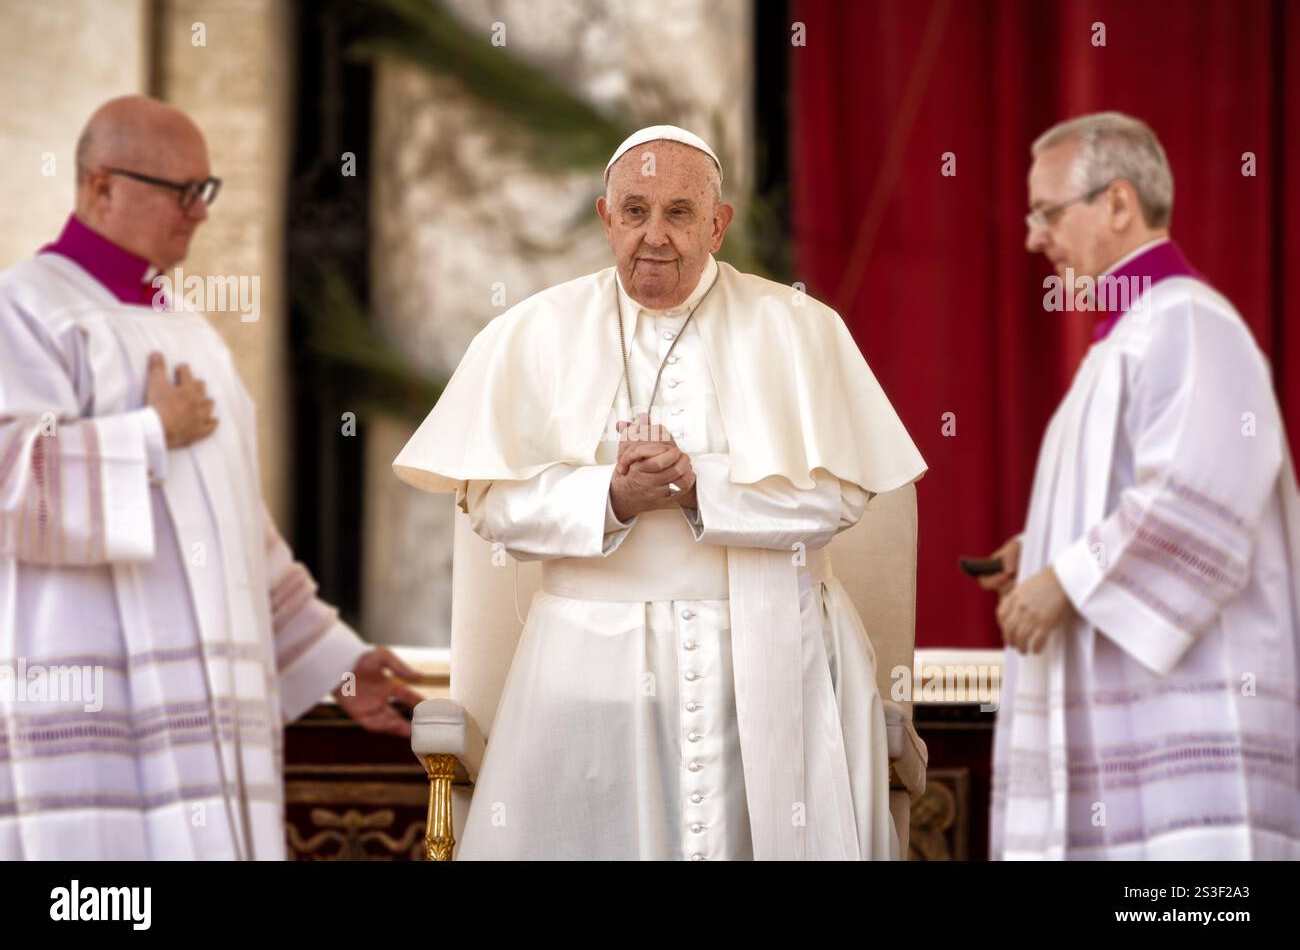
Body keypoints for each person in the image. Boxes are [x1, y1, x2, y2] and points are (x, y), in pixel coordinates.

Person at [394, 125, 926, 860]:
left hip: (772, 656)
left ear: (719, 223)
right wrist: (610, 496)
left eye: (680, 212)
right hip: (588, 663)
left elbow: (839, 502)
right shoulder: (532, 333)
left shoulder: (798, 328)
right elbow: (492, 508)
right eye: (635, 210)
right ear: (605, 218)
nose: (655, 235)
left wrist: (696, 488)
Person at [0, 95, 424, 859]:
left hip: (208, 727)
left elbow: (241, 535)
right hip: (98, 722)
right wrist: (147, 437)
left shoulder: (194, 333)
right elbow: (7, 486)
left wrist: (336, 660)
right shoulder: (25, 312)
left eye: (207, 190)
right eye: (180, 192)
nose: (198, 212)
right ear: (100, 187)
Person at [983, 111, 1300, 859]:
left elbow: (1199, 498)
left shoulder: (1188, 322)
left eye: (1048, 212)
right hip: (1127, 718)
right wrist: (1042, 550)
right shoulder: (1132, 334)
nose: (1033, 236)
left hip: (1191, 719)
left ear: (1118, 204)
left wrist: (1064, 579)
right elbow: (1137, 490)